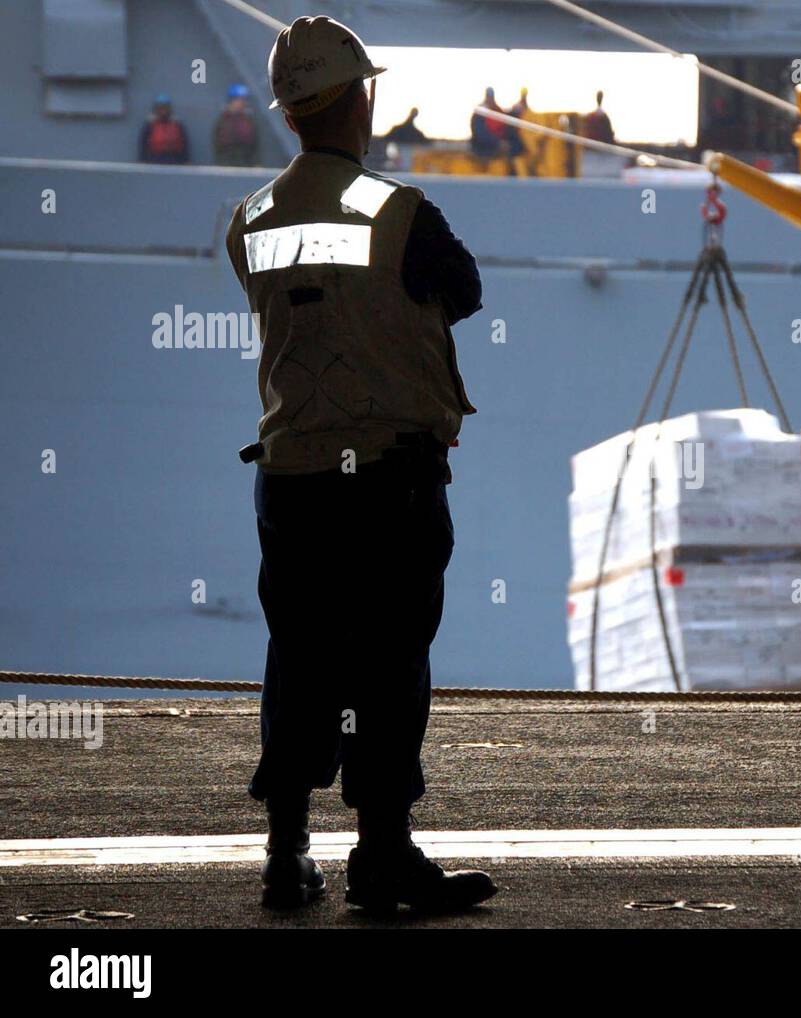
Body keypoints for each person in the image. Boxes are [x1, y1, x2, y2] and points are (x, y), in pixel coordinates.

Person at [224, 15, 495, 914]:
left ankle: (284, 852)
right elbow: (464, 291)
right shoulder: (400, 212)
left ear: (292, 114)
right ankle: (381, 856)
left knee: (297, 651)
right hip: (388, 476)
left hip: (291, 475)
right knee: (386, 659)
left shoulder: (249, 220)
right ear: (357, 98)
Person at [213, 84, 260, 166]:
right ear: (232, 101)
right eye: (239, 100)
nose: (242, 103)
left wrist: (256, 163)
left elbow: (256, 144)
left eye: (243, 100)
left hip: (246, 163)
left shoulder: (249, 121)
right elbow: (217, 144)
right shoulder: (222, 121)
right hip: (226, 162)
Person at [139, 94, 190, 164]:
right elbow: (143, 144)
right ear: (156, 109)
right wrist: (143, 160)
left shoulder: (177, 125)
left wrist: (186, 161)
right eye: (160, 108)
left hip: (174, 159)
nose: (163, 111)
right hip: (154, 159)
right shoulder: (150, 125)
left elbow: (184, 144)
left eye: (165, 108)